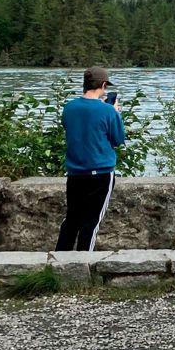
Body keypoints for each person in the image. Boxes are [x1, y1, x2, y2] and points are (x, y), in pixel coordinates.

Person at [56, 66, 125, 251]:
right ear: (103, 85)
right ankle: (83, 265)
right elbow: (118, 139)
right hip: (101, 172)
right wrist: (115, 112)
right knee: (91, 223)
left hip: (75, 172)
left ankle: (58, 263)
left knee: (72, 219)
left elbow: (73, 127)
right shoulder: (108, 111)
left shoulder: (69, 108)